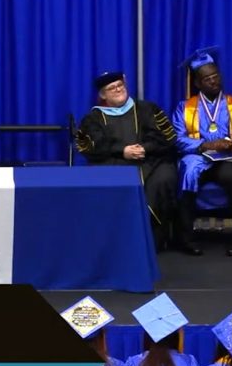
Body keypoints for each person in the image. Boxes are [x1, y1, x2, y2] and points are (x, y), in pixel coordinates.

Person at [76, 72, 178, 251]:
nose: (118, 89)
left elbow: (166, 137)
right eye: (112, 88)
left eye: (120, 85)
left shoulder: (147, 109)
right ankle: (117, 243)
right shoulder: (93, 118)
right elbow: (92, 147)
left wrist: (144, 148)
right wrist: (122, 150)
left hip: (151, 161)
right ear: (103, 95)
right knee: (107, 180)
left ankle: (155, 240)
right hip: (114, 163)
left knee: (164, 178)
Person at [172, 48, 232, 257]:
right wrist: (203, 146)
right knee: (188, 174)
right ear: (197, 83)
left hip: (227, 157)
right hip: (197, 156)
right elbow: (178, 138)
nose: (213, 82)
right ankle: (186, 239)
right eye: (207, 79)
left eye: (216, 76)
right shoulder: (184, 107)